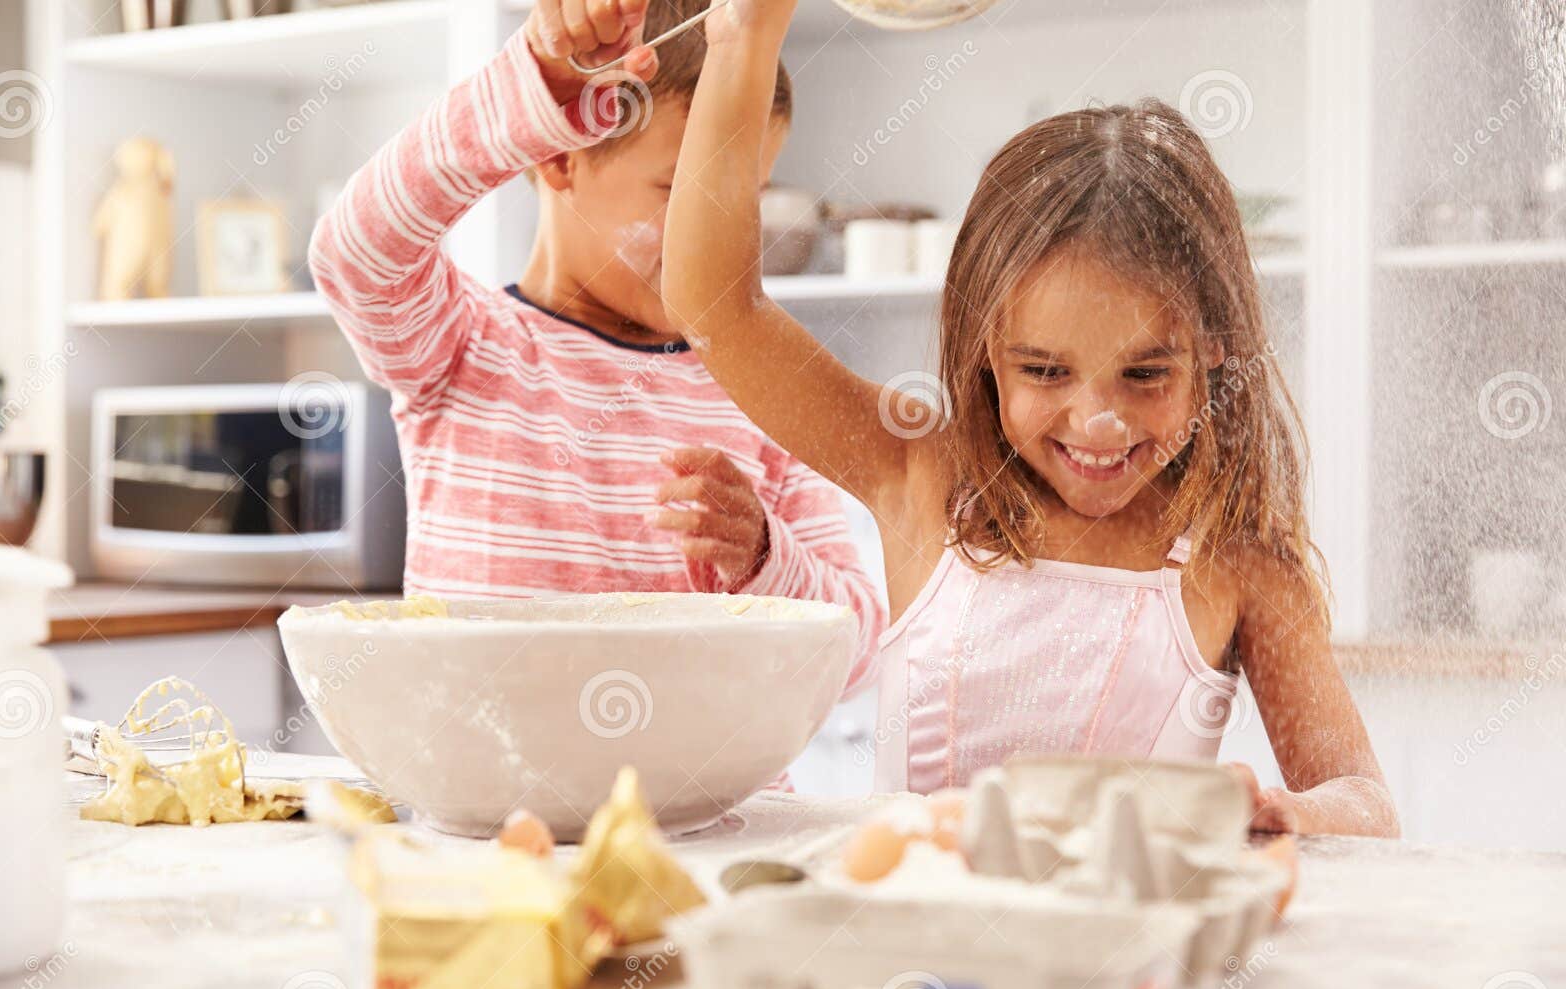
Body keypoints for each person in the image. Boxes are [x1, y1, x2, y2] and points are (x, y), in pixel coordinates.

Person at [661, 0, 1399, 836]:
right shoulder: (921, 472)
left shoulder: (1238, 556)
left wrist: (1291, 811)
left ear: (1215, 349)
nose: (1099, 422)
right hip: (916, 922)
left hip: (1132, 927)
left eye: (1146, 373)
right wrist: (745, 36)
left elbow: (1364, 798)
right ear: (985, 347)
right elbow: (713, 302)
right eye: (1045, 371)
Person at [309, 0, 883, 696]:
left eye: (746, 193)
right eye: (680, 189)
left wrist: (765, 556)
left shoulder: (765, 386)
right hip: (487, 767)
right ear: (560, 155)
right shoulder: (463, 345)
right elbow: (356, 249)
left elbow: (858, 655)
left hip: (699, 774)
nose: (721, 225)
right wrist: (535, 88)